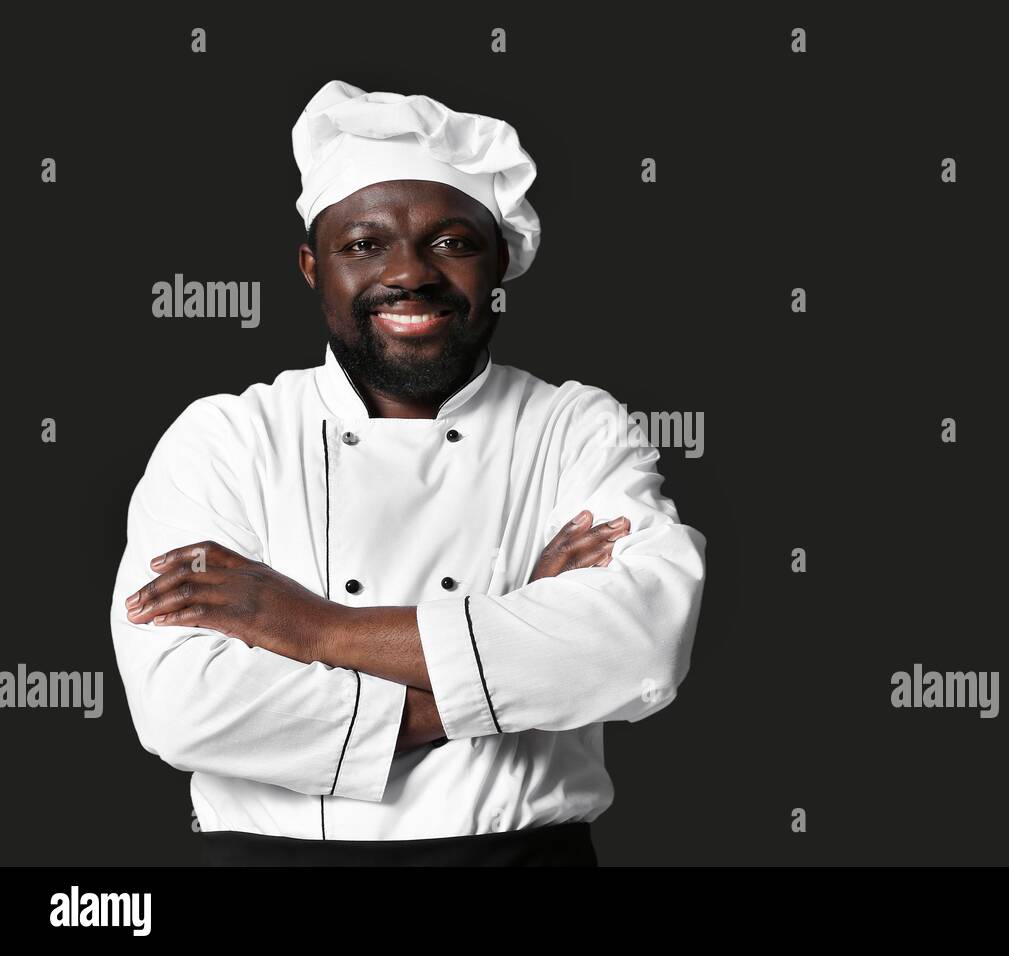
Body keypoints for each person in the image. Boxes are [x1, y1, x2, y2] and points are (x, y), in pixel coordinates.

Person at [108, 80, 707, 866]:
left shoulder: (574, 425)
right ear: (311, 267)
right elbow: (183, 709)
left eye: (452, 242)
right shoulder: (225, 437)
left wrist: (311, 626)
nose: (410, 274)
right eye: (363, 243)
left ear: (499, 264)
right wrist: (515, 641)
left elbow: (639, 645)